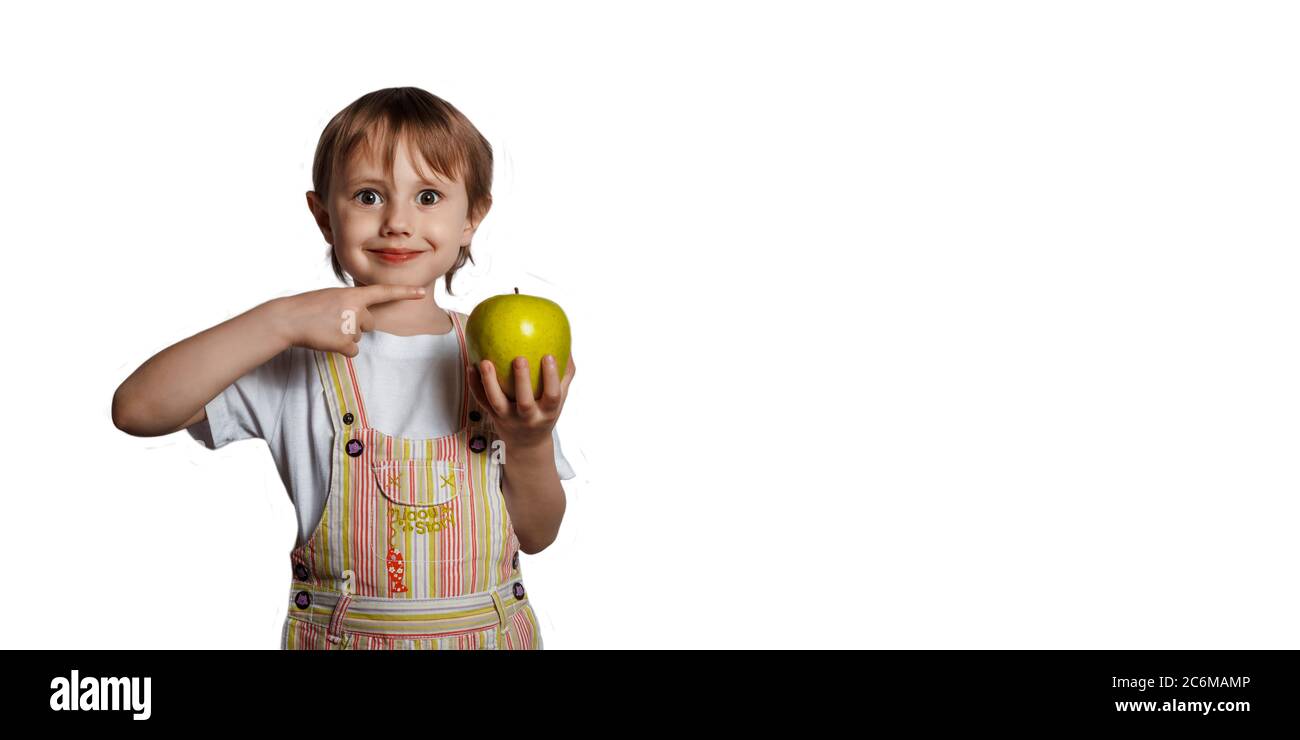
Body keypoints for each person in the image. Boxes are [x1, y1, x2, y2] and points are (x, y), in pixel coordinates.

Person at [112, 87, 576, 650]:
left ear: (472, 217)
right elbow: (137, 409)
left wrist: (529, 443)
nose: (398, 222)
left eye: (428, 196)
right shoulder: (297, 359)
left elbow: (537, 534)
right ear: (325, 216)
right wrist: (280, 320)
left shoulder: (497, 357)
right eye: (368, 196)